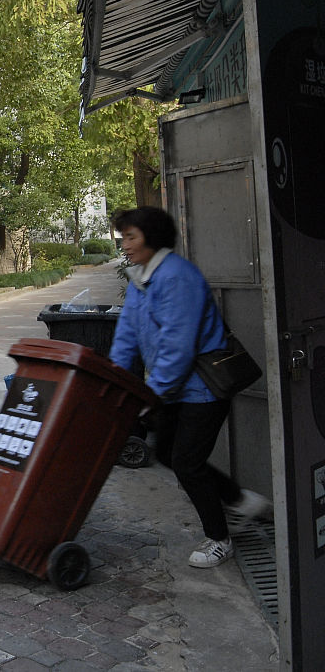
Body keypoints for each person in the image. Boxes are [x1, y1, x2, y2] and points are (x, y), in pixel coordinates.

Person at [108, 206, 271, 568]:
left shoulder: (177, 277)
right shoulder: (140, 277)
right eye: (123, 237)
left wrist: (151, 394)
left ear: (152, 237)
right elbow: (128, 335)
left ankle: (219, 538)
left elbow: (179, 346)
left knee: (186, 462)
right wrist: (117, 380)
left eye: (131, 236)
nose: (125, 244)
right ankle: (241, 501)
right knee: (166, 453)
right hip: (173, 388)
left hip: (203, 389)